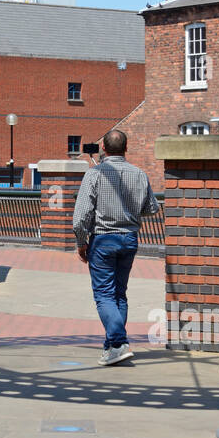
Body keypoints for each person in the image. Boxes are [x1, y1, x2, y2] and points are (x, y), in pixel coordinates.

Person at [71, 129, 159, 366]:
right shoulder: (139, 174)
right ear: (126, 148)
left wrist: (81, 243)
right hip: (129, 238)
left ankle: (119, 343)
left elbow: (80, 217)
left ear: (104, 150)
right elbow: (152, 208)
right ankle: (112, 347)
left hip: (103, 239)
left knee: (104, 295)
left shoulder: (95, 174)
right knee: (119, 293)